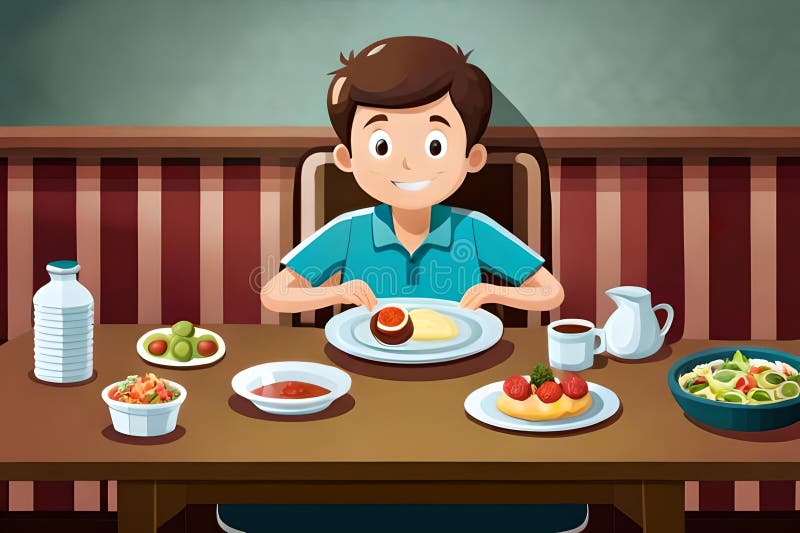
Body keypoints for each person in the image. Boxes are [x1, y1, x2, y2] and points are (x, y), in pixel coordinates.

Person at [218, 36, 588, 533]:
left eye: (434, 145)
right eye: (383, 145)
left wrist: (495, 292)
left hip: (463, 385)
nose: (409, 166)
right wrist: (336, 292)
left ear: (470, 159)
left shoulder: (473, 227)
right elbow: (275, 293)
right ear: (348, 158)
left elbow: (551, 292)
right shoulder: (347, 229)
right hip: (359, 388)